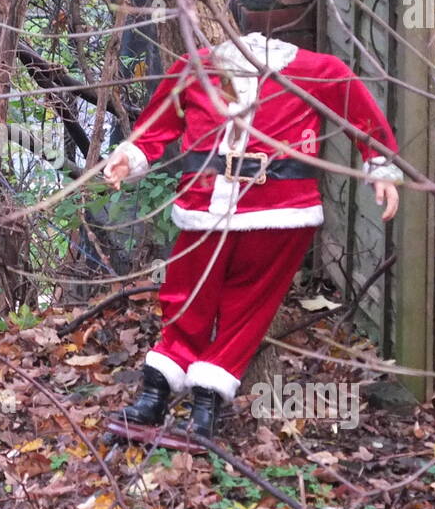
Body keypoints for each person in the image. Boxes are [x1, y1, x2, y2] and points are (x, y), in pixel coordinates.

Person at [101, 32, 403, 441]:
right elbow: (158, 124)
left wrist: (380, 164)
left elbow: (358, 109)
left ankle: (205, 406)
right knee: (185, 295)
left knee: (248, 308)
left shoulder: (315, 70)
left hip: (281, 211)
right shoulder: (197, 67)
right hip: (204, 207)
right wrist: (130, 156)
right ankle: (156, 391)